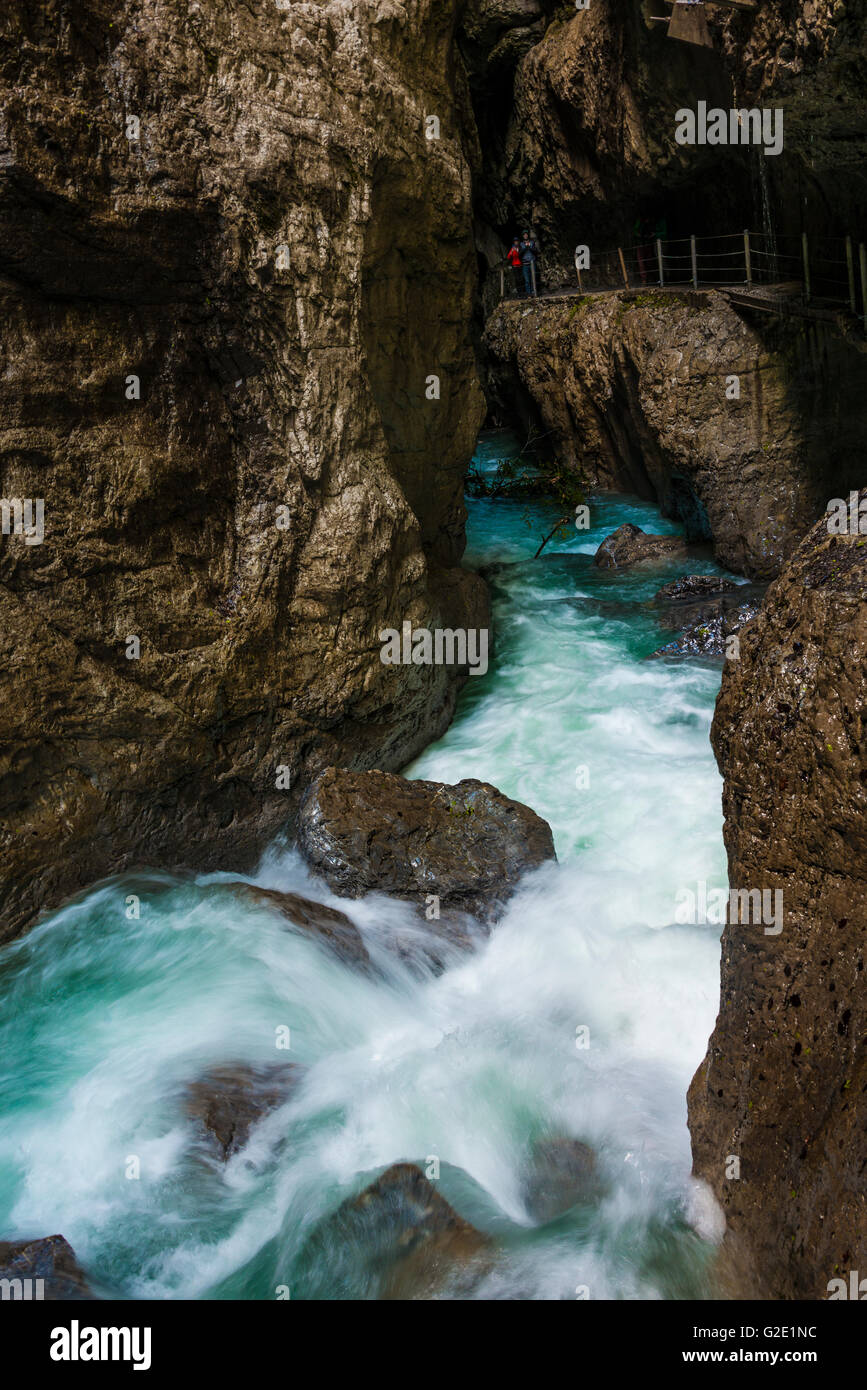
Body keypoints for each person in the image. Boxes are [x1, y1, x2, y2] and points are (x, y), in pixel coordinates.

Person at [520, 230, 540, 297]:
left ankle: (533, 292)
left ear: (528, 235)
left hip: (532, 263)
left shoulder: (532, 242)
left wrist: (530, 247)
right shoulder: (521, 244)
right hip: (525, 264)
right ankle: (528, 294)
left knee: (533, 279)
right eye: (524, 234)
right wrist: (525, 248)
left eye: (526, 234)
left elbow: (536, 252)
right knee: (527, 280)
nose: (525, 235)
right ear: (523, 236)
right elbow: (519, 254)